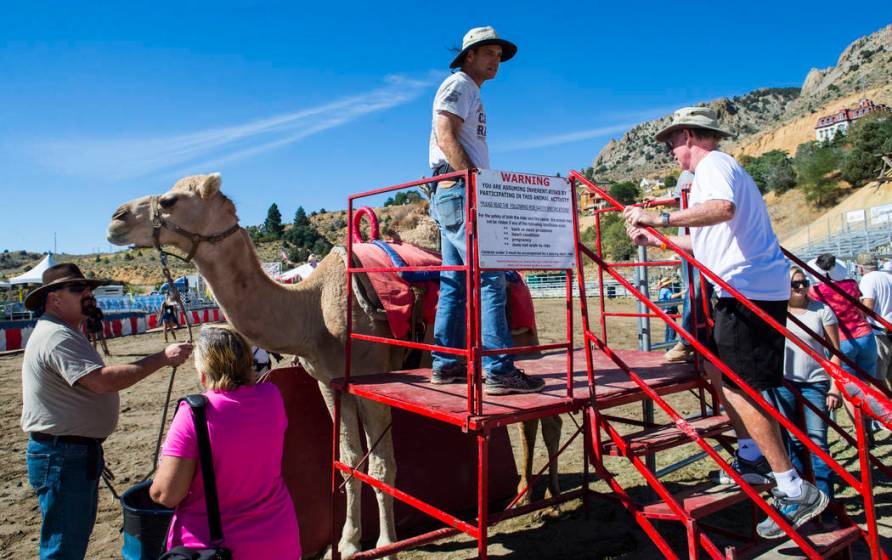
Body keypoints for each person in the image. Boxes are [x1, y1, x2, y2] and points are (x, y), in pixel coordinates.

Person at [623, 106, 828, 538]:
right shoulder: (716, 171)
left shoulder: (713, 165)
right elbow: (705, 239)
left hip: (745, 290)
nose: (669, 150)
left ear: (693, 136)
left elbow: (722, 209)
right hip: (744, 286)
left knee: (744, 388)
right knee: (716, 367)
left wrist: (656, 216)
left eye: (673, 141)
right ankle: (753, 456)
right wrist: (656, 236)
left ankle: (793, 488)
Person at [21, 263, 192, 560]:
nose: (88, 294)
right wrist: (162, 358)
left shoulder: (63, 332)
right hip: (63, 456)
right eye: (78, 289)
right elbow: (101, 381)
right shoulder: (56, 337)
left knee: (69, 539)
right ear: (53, 298)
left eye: (89, 288)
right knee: (63, 546)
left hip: (70, 454)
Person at [427, 26, 543, 395]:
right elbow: (445, 132)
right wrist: (472, 179)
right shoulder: (460, 85)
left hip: (450, 189)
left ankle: (446, 365)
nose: (496, 60)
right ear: (469, 56)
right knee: (490, 276)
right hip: (460, 189)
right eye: (489, 53)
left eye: (498, 54)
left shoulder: (466, 88)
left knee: (454, 281)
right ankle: (498, 369)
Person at [150, 324, 300, 559]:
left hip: (214, 548)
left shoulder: (194, 412)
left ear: (203, 373)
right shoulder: (272, 397)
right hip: (279, 539)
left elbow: (165, 495)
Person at [767, 267, 843, 504]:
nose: (801, 288)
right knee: (795, 441)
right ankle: (804, 500)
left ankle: (826, 501)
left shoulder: (821, 311)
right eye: (795, 284)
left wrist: (835, 387)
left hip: (816, 383)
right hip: (786, 384)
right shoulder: (777, 312)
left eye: (804, 282)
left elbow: (835, 352)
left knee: (817, 442)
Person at [661, 170, 715, 363]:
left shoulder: (712, 170)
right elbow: (678, 201)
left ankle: (691, 340)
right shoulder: (686, 175)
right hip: (687, 241)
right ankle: (693, 341)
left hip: (706, 240)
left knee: (701, 291)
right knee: (693, 291)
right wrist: (658, 200)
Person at [808, 254, 878, 384]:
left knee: (849, 385)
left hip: (841, 339)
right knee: (868, 383)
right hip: (865, 335)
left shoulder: (815, 290)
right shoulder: (852, 284)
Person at [857, 252, 892, 386]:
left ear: (860, 268)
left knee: (877, 378)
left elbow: (868, 306)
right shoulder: (888, 276)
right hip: (888, 329)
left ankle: (885, 407)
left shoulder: (868, 279)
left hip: (879, 333)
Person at [656, 277, 682, 344]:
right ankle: (670, 345)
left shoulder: (662, 290)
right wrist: (682, 292)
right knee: (672, 329)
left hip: (665, 310)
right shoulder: (666, 290)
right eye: (669, 283)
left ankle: (667, 345)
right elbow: (671, 296)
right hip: (669, 310)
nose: (670, 284)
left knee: (669, 328)